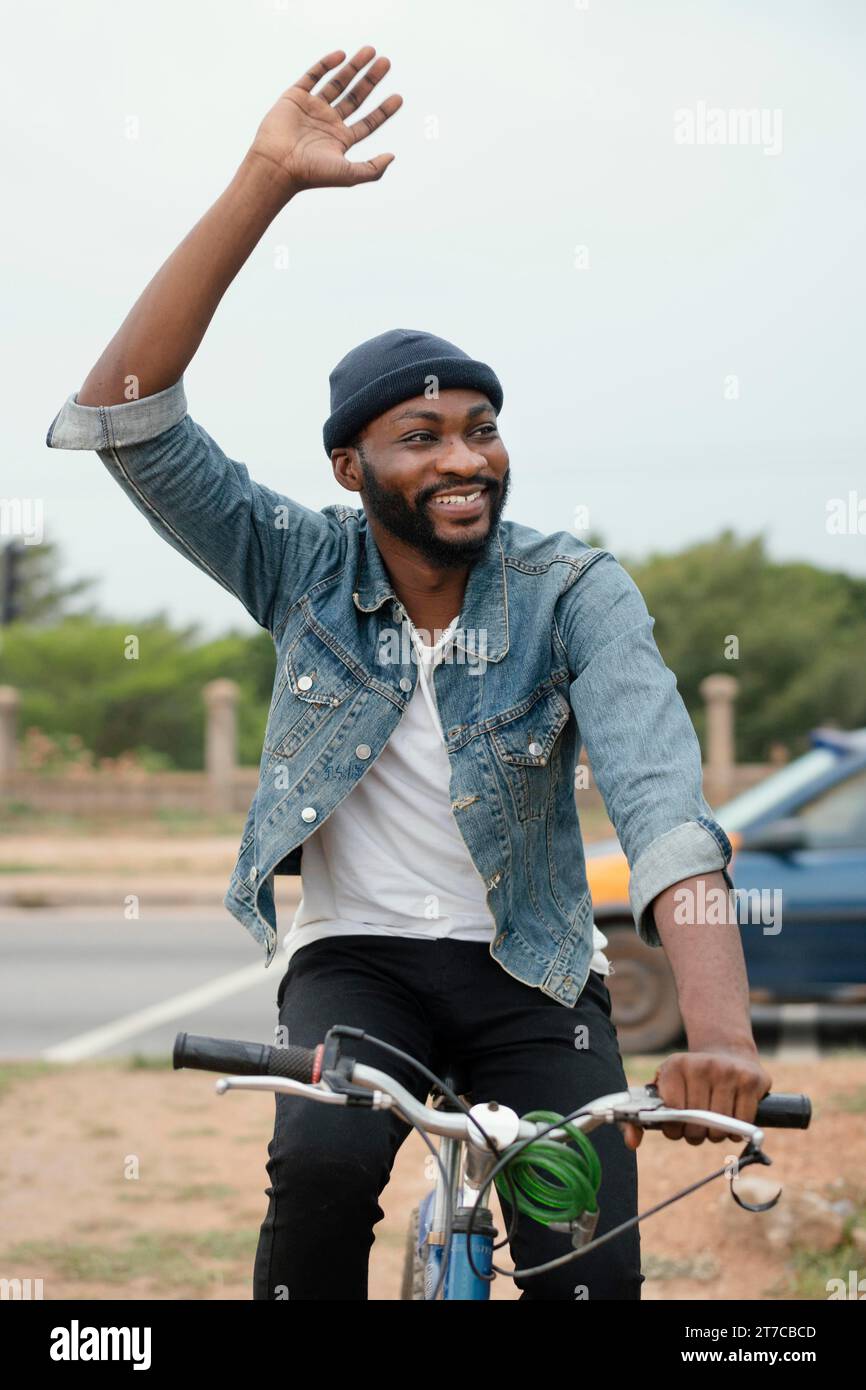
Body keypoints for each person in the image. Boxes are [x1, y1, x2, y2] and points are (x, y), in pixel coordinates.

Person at [46, 45, 772, 1301]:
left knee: (586, 1269)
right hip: (358, 965)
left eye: (482, 428)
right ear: (349, 466)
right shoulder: (295, 564)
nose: (464, 459)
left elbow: (662, 811)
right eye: (421, 435)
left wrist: (716, 1039)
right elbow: (124, 411)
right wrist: (262, 180)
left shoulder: (573, 591)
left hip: (535, 973)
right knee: (322, 1168)